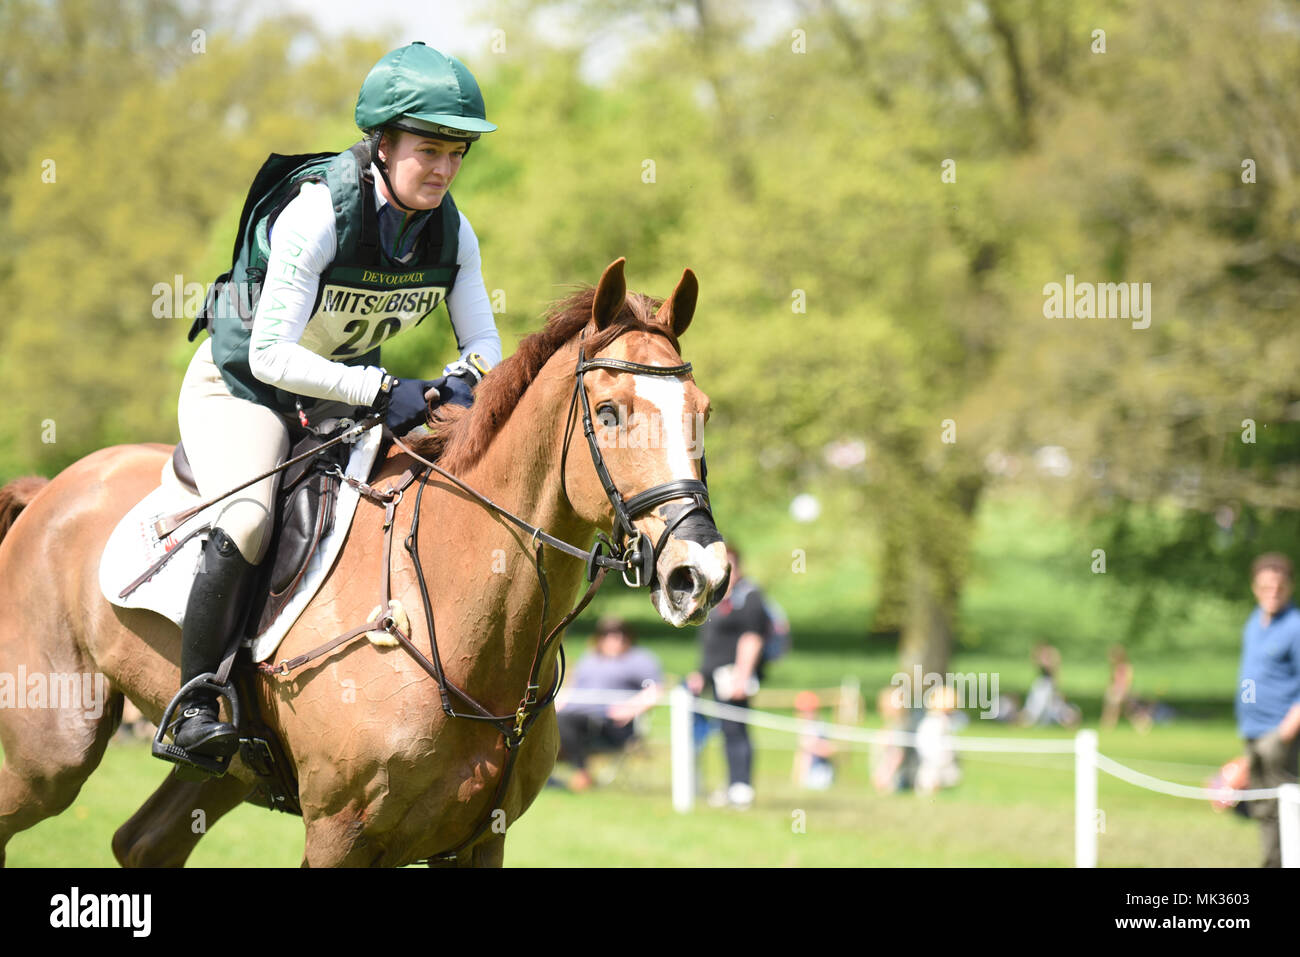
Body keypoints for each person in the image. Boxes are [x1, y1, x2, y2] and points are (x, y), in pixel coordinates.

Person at [164, 42, 503, 764]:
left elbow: (484, 345)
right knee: (250, 518)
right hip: (244, 388)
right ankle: (193, 705)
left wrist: (460, 381)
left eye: (457, 153)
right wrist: (381, 388)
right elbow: (270, 355)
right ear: (382, 144)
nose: (444, 169)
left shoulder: (453, 232)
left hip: (333, 403)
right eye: (428, 150)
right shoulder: (318, 213)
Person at [687, 545, 772, 809]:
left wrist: (742, 677)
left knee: (736, 730)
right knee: (725, 730)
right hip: (714, 676)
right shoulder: (716, 598)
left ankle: (741, 786)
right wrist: (701, 674)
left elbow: (752, 638)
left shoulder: (750, 597)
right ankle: (730, 784)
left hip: (733, 676)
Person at [1235, 552, 1300, 867]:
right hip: (1253, 732)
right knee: (1262, 807)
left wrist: (1286, 731)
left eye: (1278, 586)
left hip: (1280, 734)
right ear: (1254, 587)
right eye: (1265, 586)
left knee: (1287, 808)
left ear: (1290, 587)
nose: (1272, 592)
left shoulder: (1295, 626)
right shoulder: (1254, 622)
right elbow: (1252, 673)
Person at [555, 617, 662, 791]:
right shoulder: (589, 659)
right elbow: (572, 689)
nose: (616, 638)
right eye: (609, 634)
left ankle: (582, 773)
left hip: (609, 724)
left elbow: (655, 691)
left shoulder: (639, 659)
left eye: (621, 633)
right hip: (575, 718)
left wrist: (631, 709)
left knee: (565, 721)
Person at [1018, 643, 1080, 729]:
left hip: (1048, 690)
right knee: (1034, 711)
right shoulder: (1042, 682)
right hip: (1044, 688)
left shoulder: (1051, 675)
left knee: (1064, 710)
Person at [791, 690, 835, 790]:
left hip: (819, 772)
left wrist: (811, 747)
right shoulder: (804, 728)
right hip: (806, 775)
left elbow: (829, 750)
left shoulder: (820, 728)